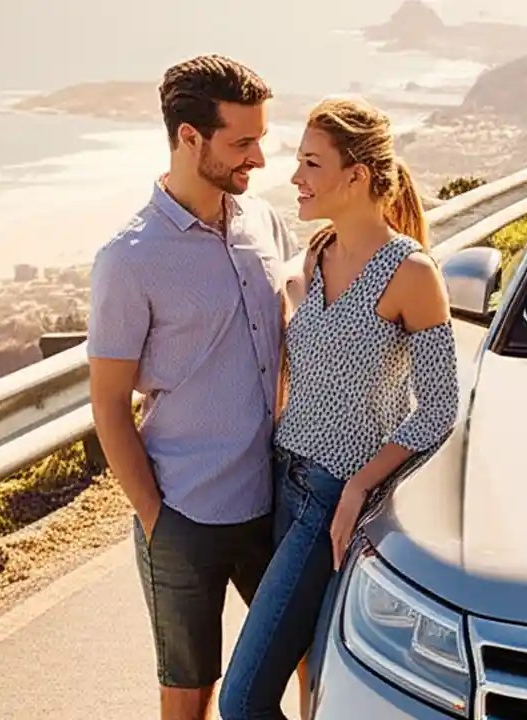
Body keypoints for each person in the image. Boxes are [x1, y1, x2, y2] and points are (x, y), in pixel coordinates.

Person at [218, 97, 461, 719]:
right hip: (282, 485)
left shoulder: (411, 273)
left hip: (329, 502)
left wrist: (357, 488)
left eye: (310, 164)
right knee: (315, 675)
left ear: (356, 176)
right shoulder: (317, 252)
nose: (295, 177)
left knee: (243, 700)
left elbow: (438, 408)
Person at [86, 55, 298, 720]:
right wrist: (157, 517)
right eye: (241, 142)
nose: (259, 158)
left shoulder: (262, 223)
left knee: (310, 657)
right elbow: (108, 404)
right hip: (187, 514)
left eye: (260, 138)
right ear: (188, 137)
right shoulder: (130, 259)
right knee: (188, 694)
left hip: (272, 502)